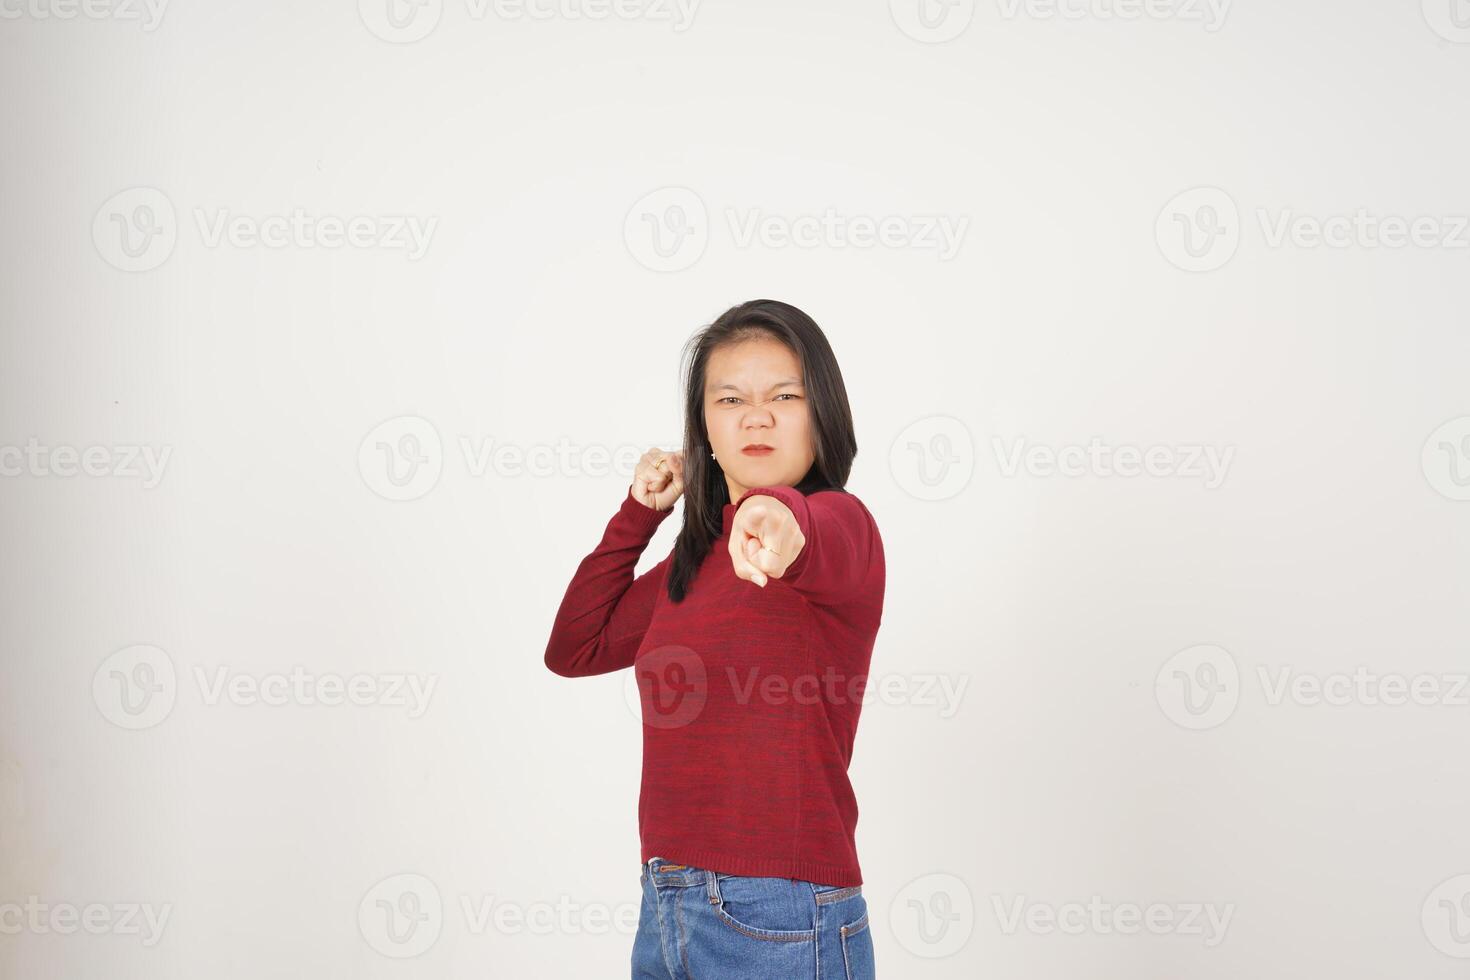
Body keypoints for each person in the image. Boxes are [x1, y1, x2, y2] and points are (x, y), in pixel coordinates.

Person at [544, 298, 885, 979]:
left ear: (822, 410)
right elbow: (573, 647)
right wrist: (640, 514)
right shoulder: (690, 565)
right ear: (704, 424)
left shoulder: (843, 526)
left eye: (784, 395)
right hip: (667, 905)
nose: (756, 416)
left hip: (785, 915)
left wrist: (774, 516)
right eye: (731, 398)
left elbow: (803, 529)